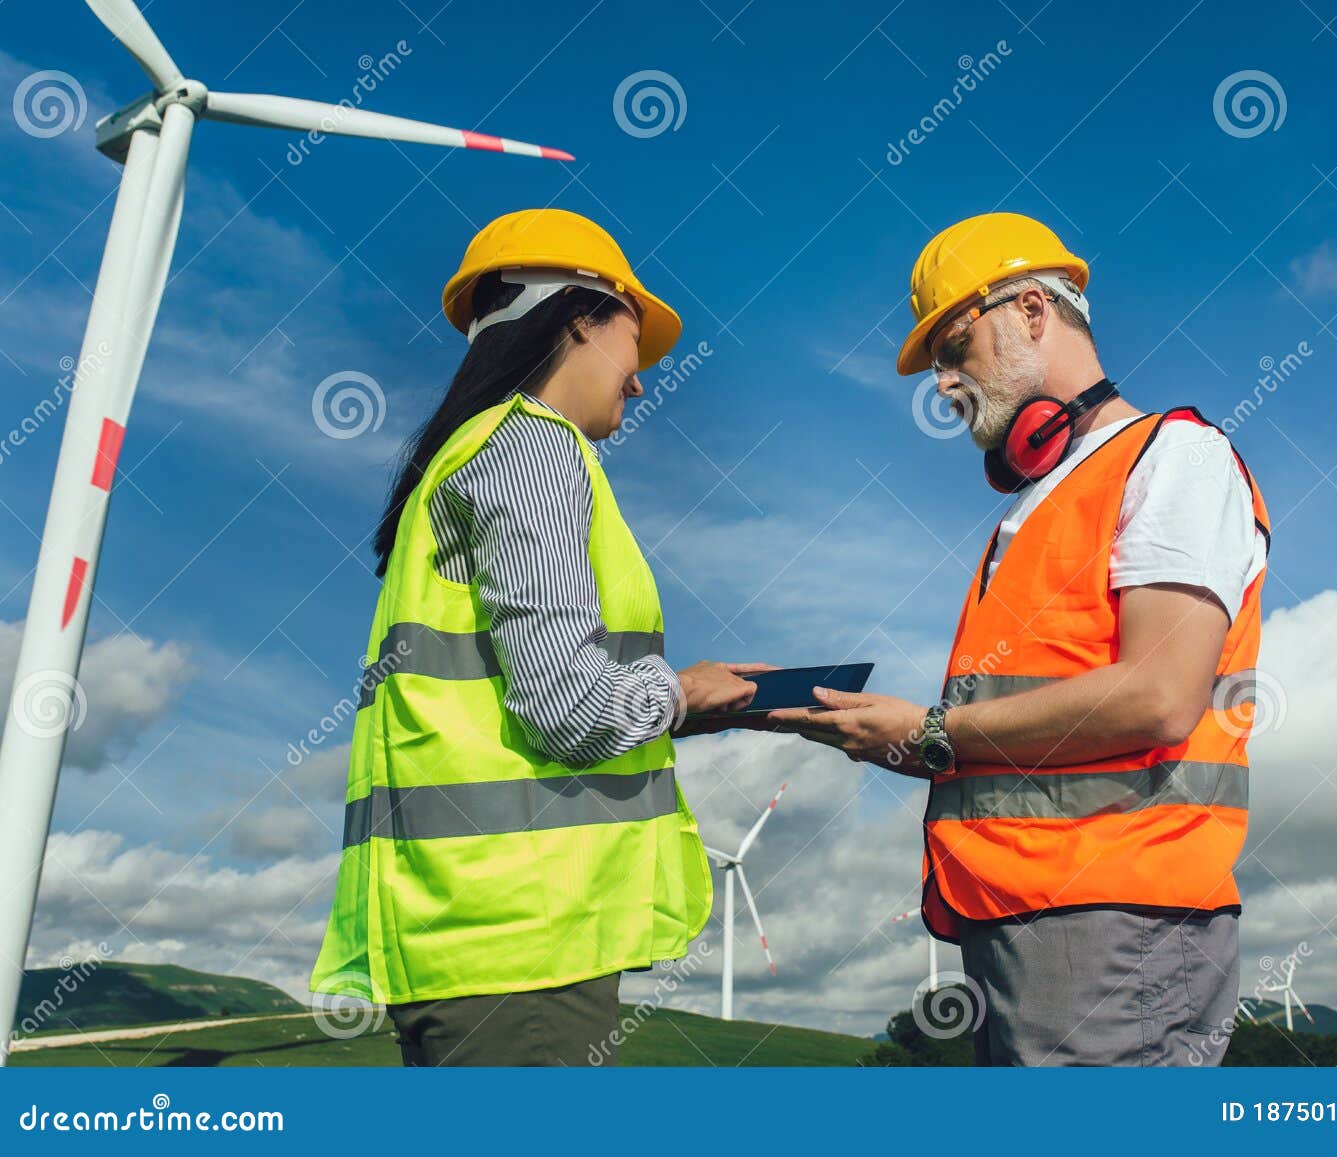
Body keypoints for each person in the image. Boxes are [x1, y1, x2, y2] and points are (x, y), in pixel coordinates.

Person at [774, 212, 1271, 1066]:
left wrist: (929, 732)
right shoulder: (1034, 506)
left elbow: (1157, 696)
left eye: (954, 348)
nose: (942, 383)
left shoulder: (1175, 457)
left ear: (1033, 310)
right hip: (1026, 928)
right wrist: (905, 739)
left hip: (1113, 930)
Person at [310, 208, 762, 1066]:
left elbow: (521, 697)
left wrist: (702, 704)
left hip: (466, 932)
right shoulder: (532, 451)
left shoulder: (468, 454)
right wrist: (686, 689)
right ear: (581, 315)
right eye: (636, 340)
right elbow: (565, 705)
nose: (639, 381)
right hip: (524, 945)